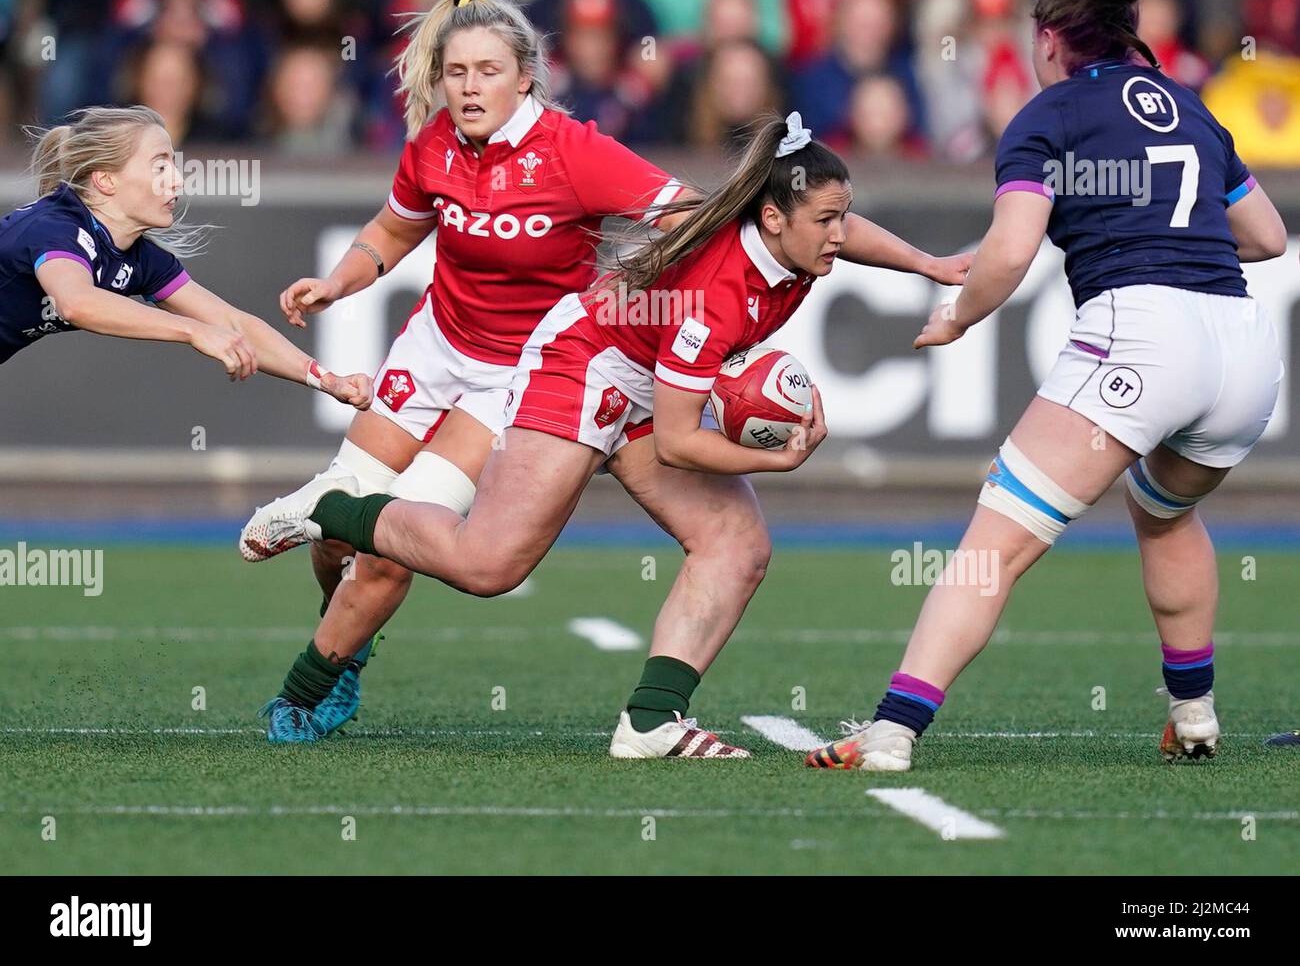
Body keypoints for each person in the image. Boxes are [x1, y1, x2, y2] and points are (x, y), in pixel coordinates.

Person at [241, 109, 972, 759]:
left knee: (737, 543)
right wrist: (778, 459)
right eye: (829, 222)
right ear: (775, 220)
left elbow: (837, 220)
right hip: (584, 366)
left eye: (844, 216)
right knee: (488, 565)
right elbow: (683, 441)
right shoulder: (715, 295)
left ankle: (652, 722)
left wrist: (928, 264)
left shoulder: (794, 228)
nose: (841, 236)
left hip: (643, 372)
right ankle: (331, 509)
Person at [808, 0, 1287, 774]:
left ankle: (890, 730)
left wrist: (957, 315)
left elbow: (1008, 251)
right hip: (1243, 352)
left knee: (995, 540)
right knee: (1164, 510)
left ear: (1054, 39)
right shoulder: (1192, 107)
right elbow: (1269, 237)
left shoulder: (1051, 116)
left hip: (1142, 335)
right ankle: (1196, 711)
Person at [0, 106, 373, 416]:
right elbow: (77, 303)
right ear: (105, 180)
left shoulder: (140, 258)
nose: (178, 181)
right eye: (160, 166)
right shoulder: (55, 227)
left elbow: (232, 322)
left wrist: (326, 379)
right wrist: (191, 330)